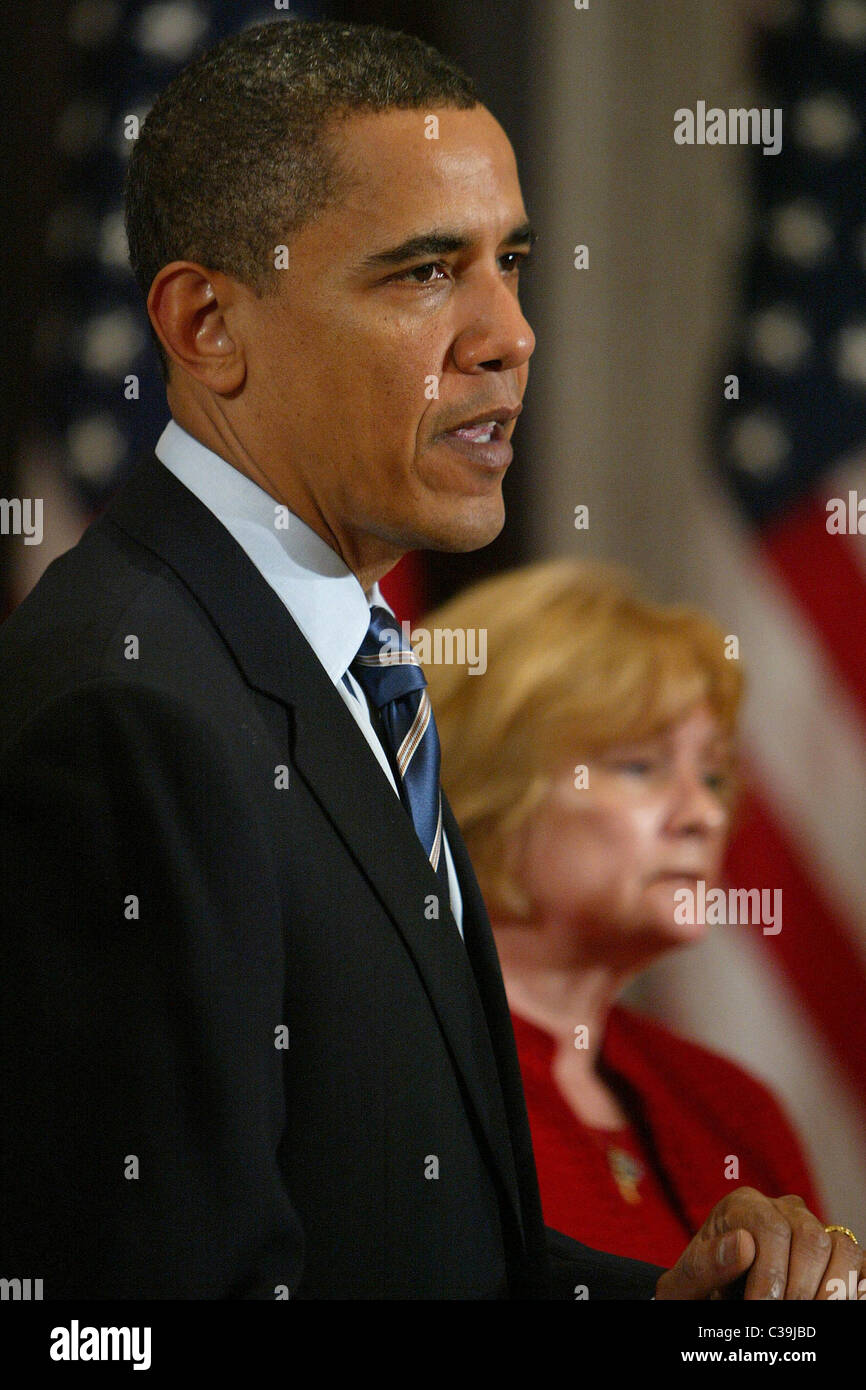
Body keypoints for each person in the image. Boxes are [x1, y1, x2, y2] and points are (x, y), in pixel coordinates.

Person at [0, 18, 861, 1301]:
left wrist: (692, 1311)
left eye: (508, 261)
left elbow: (417, 1249)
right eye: (420, 274)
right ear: (205, 323)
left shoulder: (346, 670)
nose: (508, 333)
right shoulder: (135, 708)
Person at [423, 557, 826, 1269]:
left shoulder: (735, 1110)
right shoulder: (396, 1079)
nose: (704, 813)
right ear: (483, 788)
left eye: (711, 774)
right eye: (639, 766)